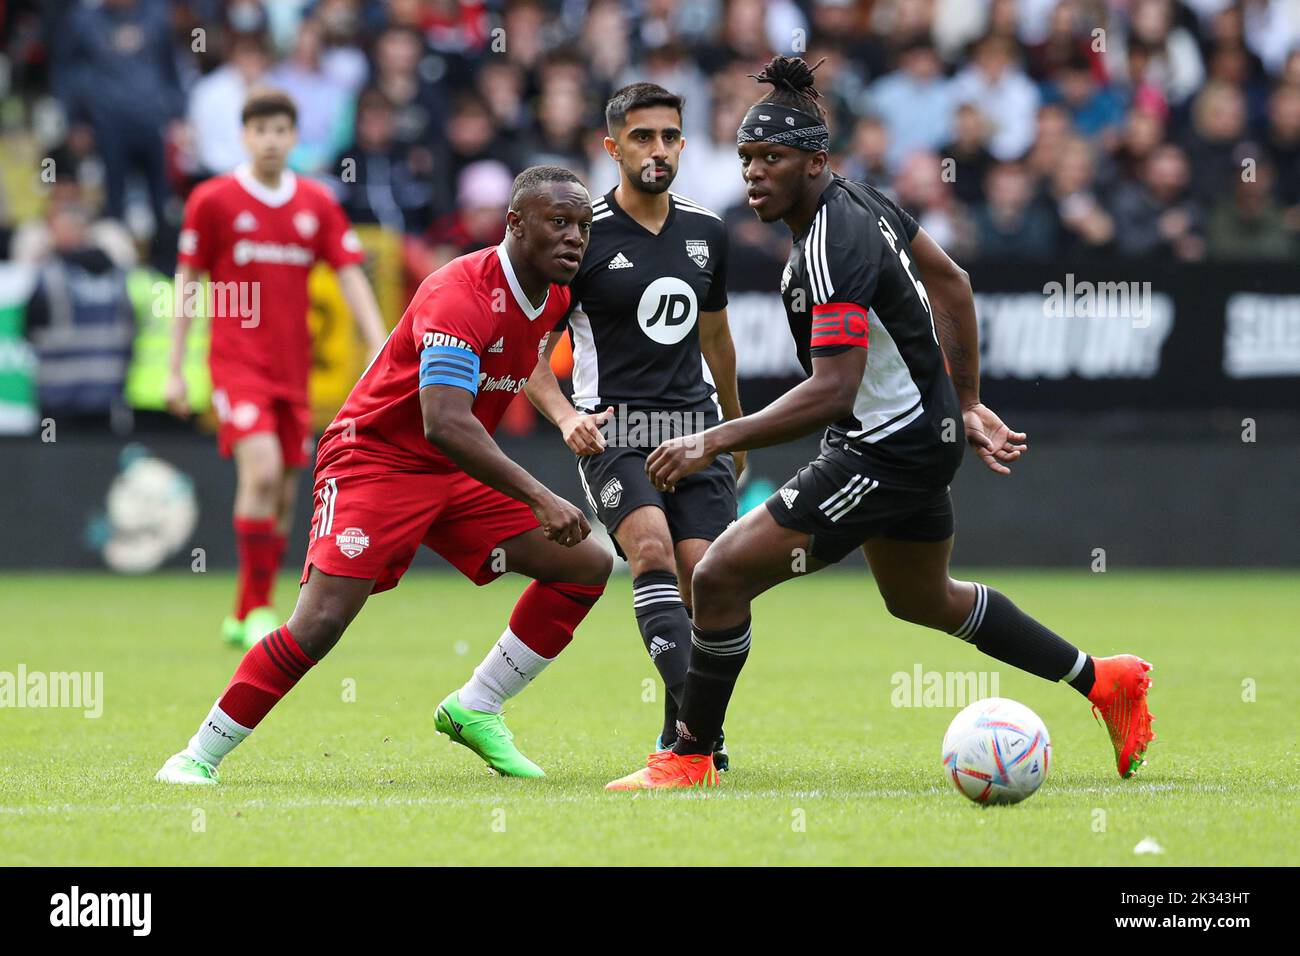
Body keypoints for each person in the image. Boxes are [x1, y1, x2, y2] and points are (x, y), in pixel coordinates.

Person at [605, 57, 1156, 791]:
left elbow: (833, 390)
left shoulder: (835, 240)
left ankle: (688, 757)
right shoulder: (858, 203)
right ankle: (1105, 680)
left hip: (884, 449)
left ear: (815, 162)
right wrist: (962, 404)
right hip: (916, 437)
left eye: (772, 158)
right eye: (745, 159)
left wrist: (713, 437)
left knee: (718, 574)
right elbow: (952, 284)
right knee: (923, 598)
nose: (754, 174)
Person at [156, 165, 611, 785]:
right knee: (321, 622)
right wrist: (538, 495)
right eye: (559, 223)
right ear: (514, 223)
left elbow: (523, 356)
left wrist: (561, 415)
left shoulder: (554, 293)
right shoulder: (458, 293)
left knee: (586, 562)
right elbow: (444, 422)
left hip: (455, 470)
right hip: (376, 460)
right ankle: (196, 755)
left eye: (582, 226)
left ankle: (476, 706)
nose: (574, 238)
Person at [525, 83, 741, 768]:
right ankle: (699, 742)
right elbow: (524, 356)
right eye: (643, 138)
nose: (659, 150)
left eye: (670, 136)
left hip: (695, 430)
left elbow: (717, 341)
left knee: (707, 579)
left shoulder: (708, 232)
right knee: (650, 552)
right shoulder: (578, 236)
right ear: (612, 147)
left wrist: (734, 430)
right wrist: (565, 418)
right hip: (616, 432)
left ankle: (682, 728)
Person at [167, 90, 388, 650]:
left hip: (295, 374)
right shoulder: (213, 200)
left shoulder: (315, 204)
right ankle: (259, 607)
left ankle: (245, 609)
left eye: (280, 131)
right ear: (245, 136)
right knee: (261, 470)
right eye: (260, 130)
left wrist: (377, 341)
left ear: (294, 138)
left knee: (289, 489)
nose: (270, 140)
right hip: (237, 367)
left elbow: (350, 273)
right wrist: (175, 368)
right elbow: (188, 282)